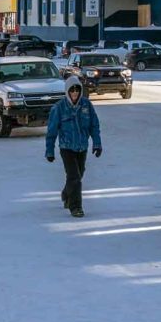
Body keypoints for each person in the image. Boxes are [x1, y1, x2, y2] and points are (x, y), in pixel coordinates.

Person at [45, 76, 102, 218]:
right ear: (67, 92)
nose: (75, 94)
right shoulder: (59, 108)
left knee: (79, 174)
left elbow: (94, 125)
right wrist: (49, 151)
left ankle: (66, 194)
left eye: (77, 91)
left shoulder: (86, 105)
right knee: (74, 177)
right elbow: (51, 131)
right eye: (72, 91)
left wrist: (97, 143)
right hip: (67, 147)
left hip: (82, 146)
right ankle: (76, 207)